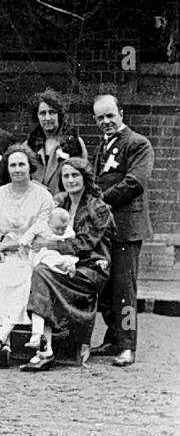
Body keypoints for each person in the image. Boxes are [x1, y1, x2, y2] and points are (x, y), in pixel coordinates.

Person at [24, 158, 115, 370]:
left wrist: (50, 245)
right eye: (66, 176)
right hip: (62, 263)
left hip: (90, 267)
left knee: (41, 273)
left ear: (85, 178)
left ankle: (43, 345)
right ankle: (44, 348)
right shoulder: (59, 202)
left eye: (75, 175)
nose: (70, 180)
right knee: (39, 272)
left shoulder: (97, 207)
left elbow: (85, 242)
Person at [89, 94, 152, 368]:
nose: (106, 122)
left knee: (125, 290)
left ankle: (127, 345)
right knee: (106, 287)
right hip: (105, 230)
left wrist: (100, 201)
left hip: (126, 228)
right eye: (100, 118)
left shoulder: (137, 143)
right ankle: (113, 336)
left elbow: (135, 182)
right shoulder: (103, 147)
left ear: (121, 114)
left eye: (110, 116)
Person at [0, 143, 54, 364]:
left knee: (25, 280)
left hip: (31, 254)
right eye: (12, 165)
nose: (17, 169)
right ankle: (4, 345)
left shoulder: (43, 197)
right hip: (3, 256)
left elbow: (41, 234)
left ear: (30, 166)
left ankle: (1, 335)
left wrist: (2, 247)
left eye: (22, 164)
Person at [27, 89, 88, 195]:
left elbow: (84, 177)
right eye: (42, 113)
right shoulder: (28, 146)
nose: (47, 118)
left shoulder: (74, 142)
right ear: (37, 116)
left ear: (59, 115)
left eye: (52, 112)